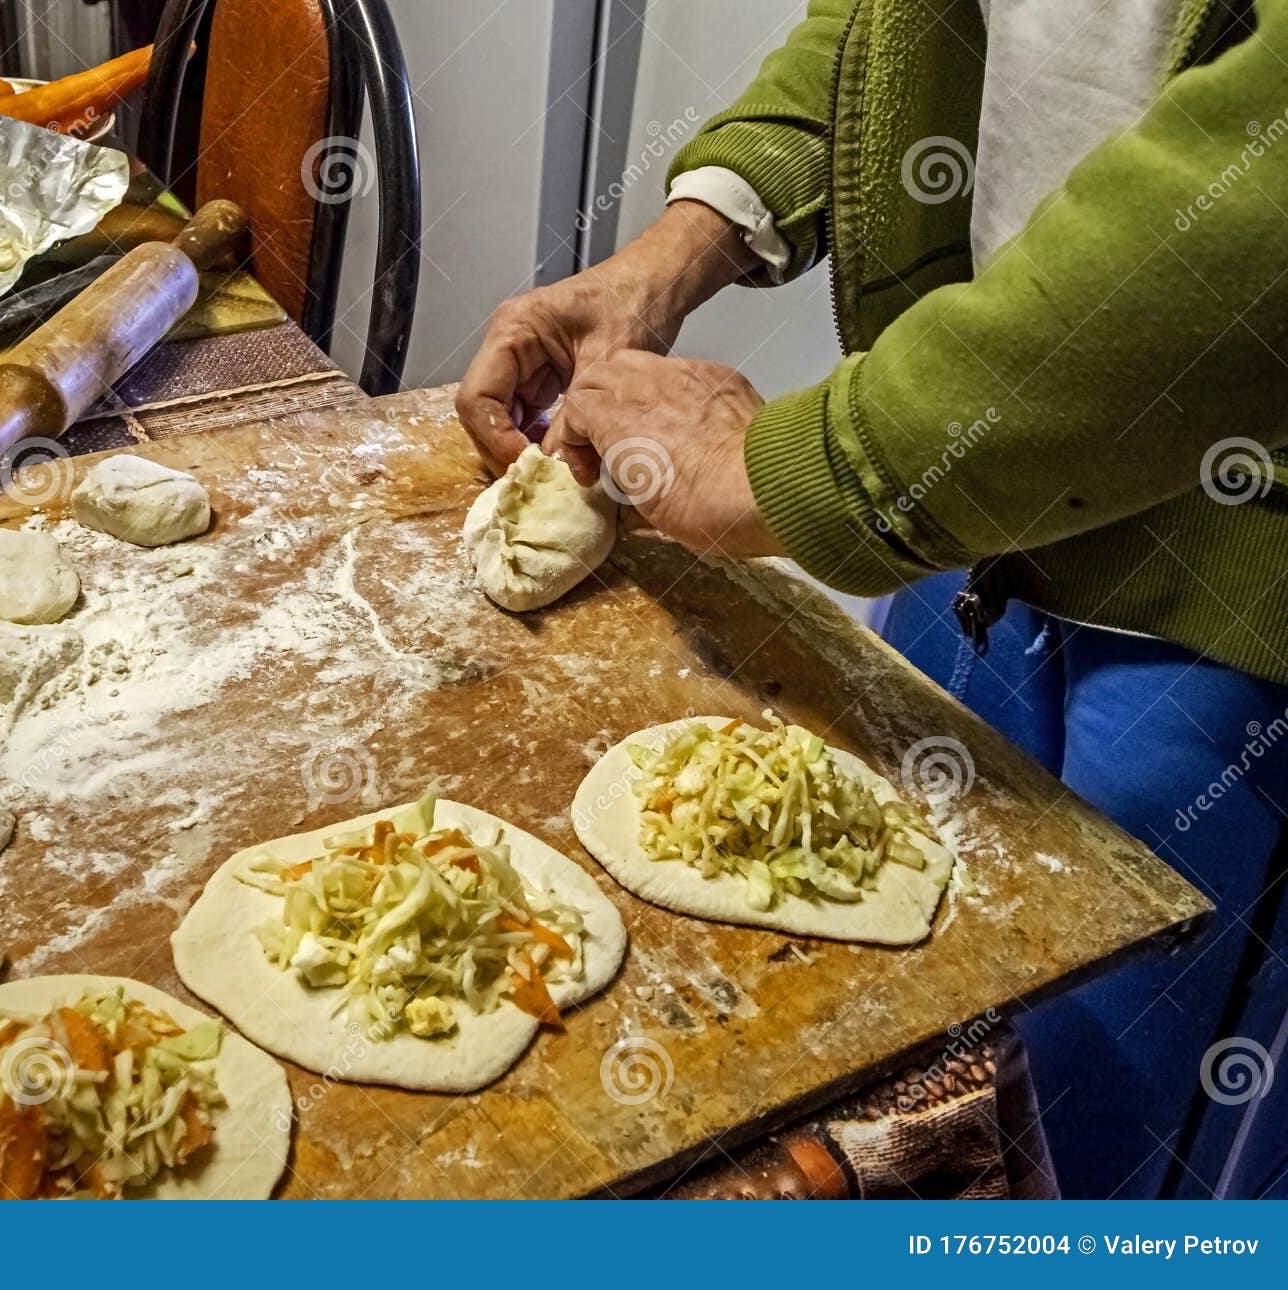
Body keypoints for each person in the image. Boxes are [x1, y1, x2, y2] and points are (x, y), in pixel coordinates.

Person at [457, 0, 1288, 1199]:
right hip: (962, 502)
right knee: (909, 1031)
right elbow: (891, 30)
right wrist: (676, 249)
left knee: (1106, 1138)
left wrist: (818, 465)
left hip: (1222, 604)